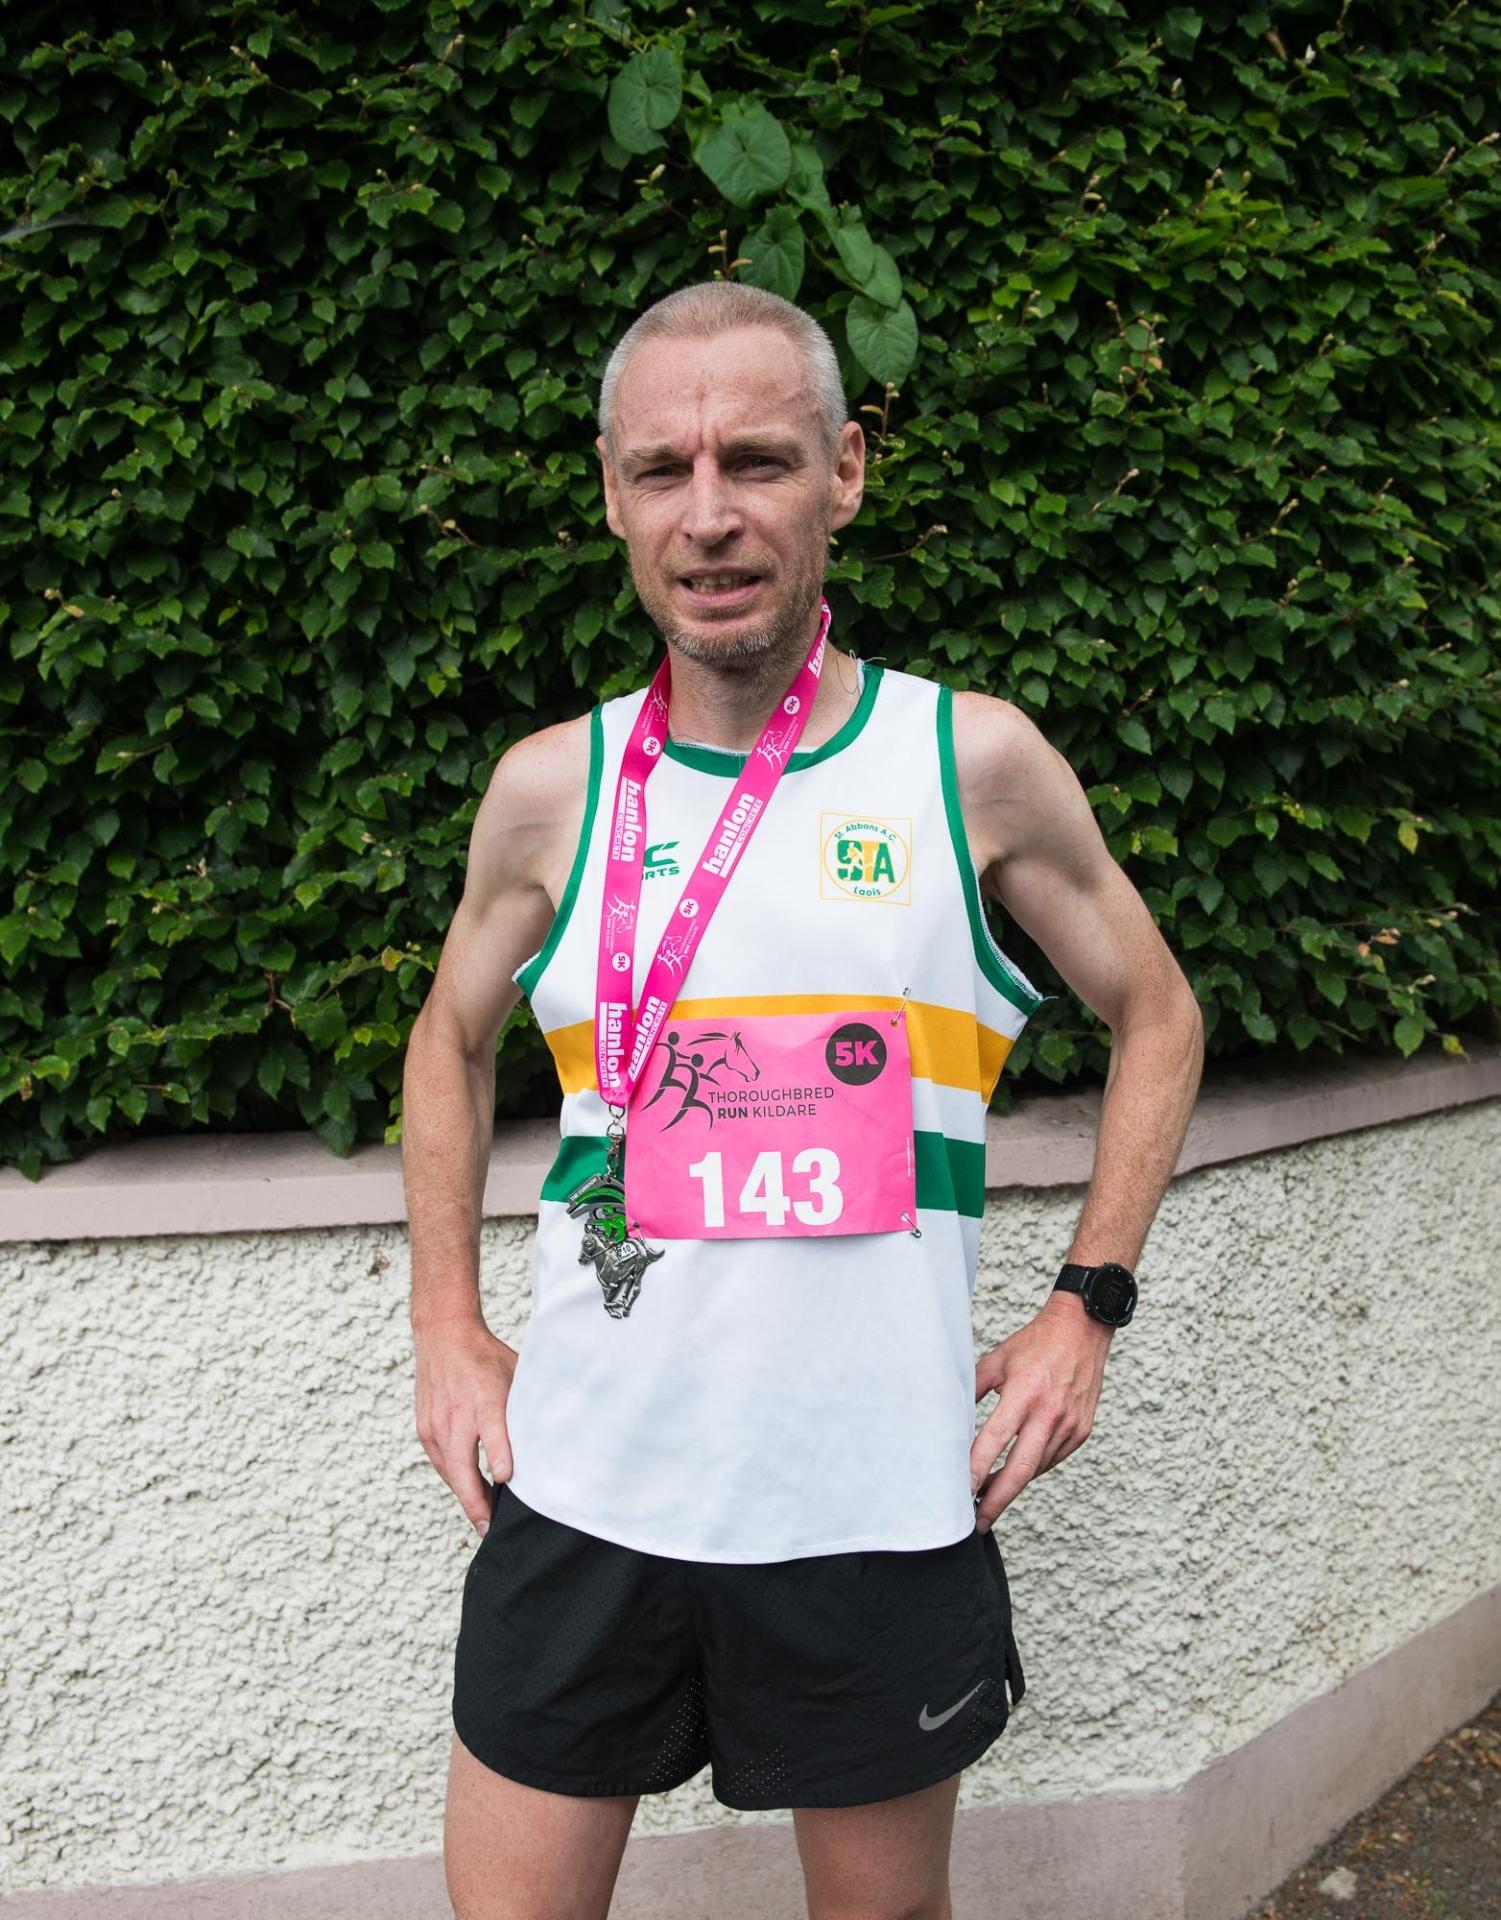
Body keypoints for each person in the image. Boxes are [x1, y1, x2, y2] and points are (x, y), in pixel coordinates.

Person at [401, 281, 1204, 1920]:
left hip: (870, 1504)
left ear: (841, 471)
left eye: (756, 462)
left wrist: (1085, 1307)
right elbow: (447, 1039)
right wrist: (444, 1324)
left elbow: (1158, 1009)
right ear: (612, 494)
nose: (709, 517)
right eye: (661, 470)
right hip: (585, 1489)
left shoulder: (961, 763)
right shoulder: (550, 789)